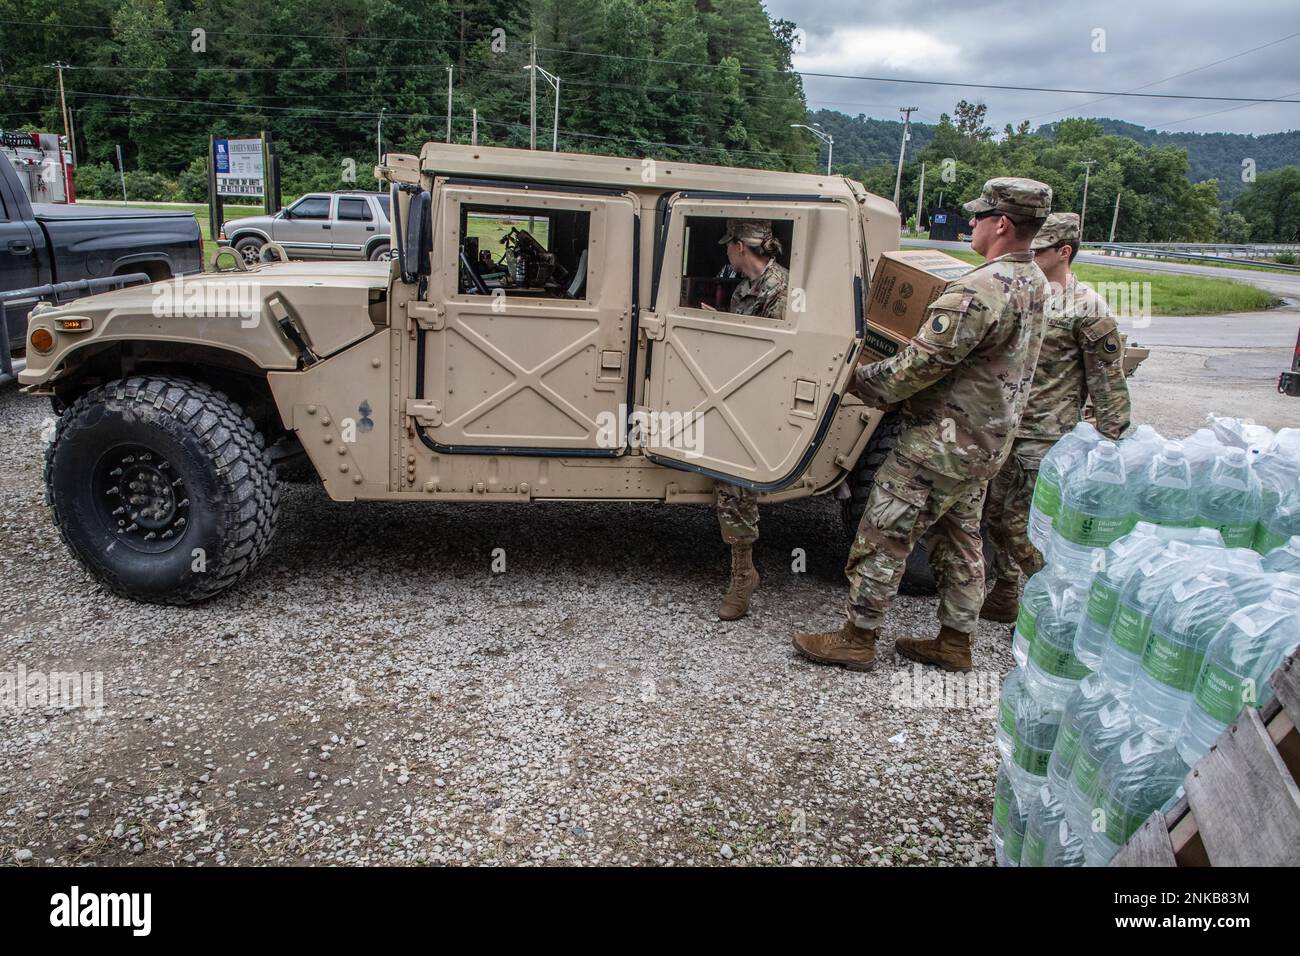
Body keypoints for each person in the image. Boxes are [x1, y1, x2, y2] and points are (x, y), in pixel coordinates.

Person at [793, 178, 1052, 672]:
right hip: (985, 445)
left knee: (882, 533)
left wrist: (852, 379)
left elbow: (916, 369)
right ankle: (955, 643)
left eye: (978, 217)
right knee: (960, 541)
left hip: (941, 442)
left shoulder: (980, 288)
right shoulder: (1034, 281)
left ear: (1002, 224)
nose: (970, 224)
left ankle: (857, 637)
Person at [981, 212, 1131, 622]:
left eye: (1039, 249)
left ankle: (1062, 606)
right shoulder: (1023, 293)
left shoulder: (1088, 310)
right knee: (994, 518)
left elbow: (1109, 385)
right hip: (1005, 431)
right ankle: (1006, 593)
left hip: (1045, 439)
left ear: (1063, 252)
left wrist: (1109, 446)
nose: (1028, 253)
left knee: (1021, 527)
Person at [710, 219, 789, 620]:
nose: (726, 252)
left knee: (733, 478)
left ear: (741, 247)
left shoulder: (782, 289)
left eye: (729, 245)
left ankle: (742, 575)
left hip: (763, 397)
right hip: (736, 390)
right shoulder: (745, 288)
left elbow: (775, 347)